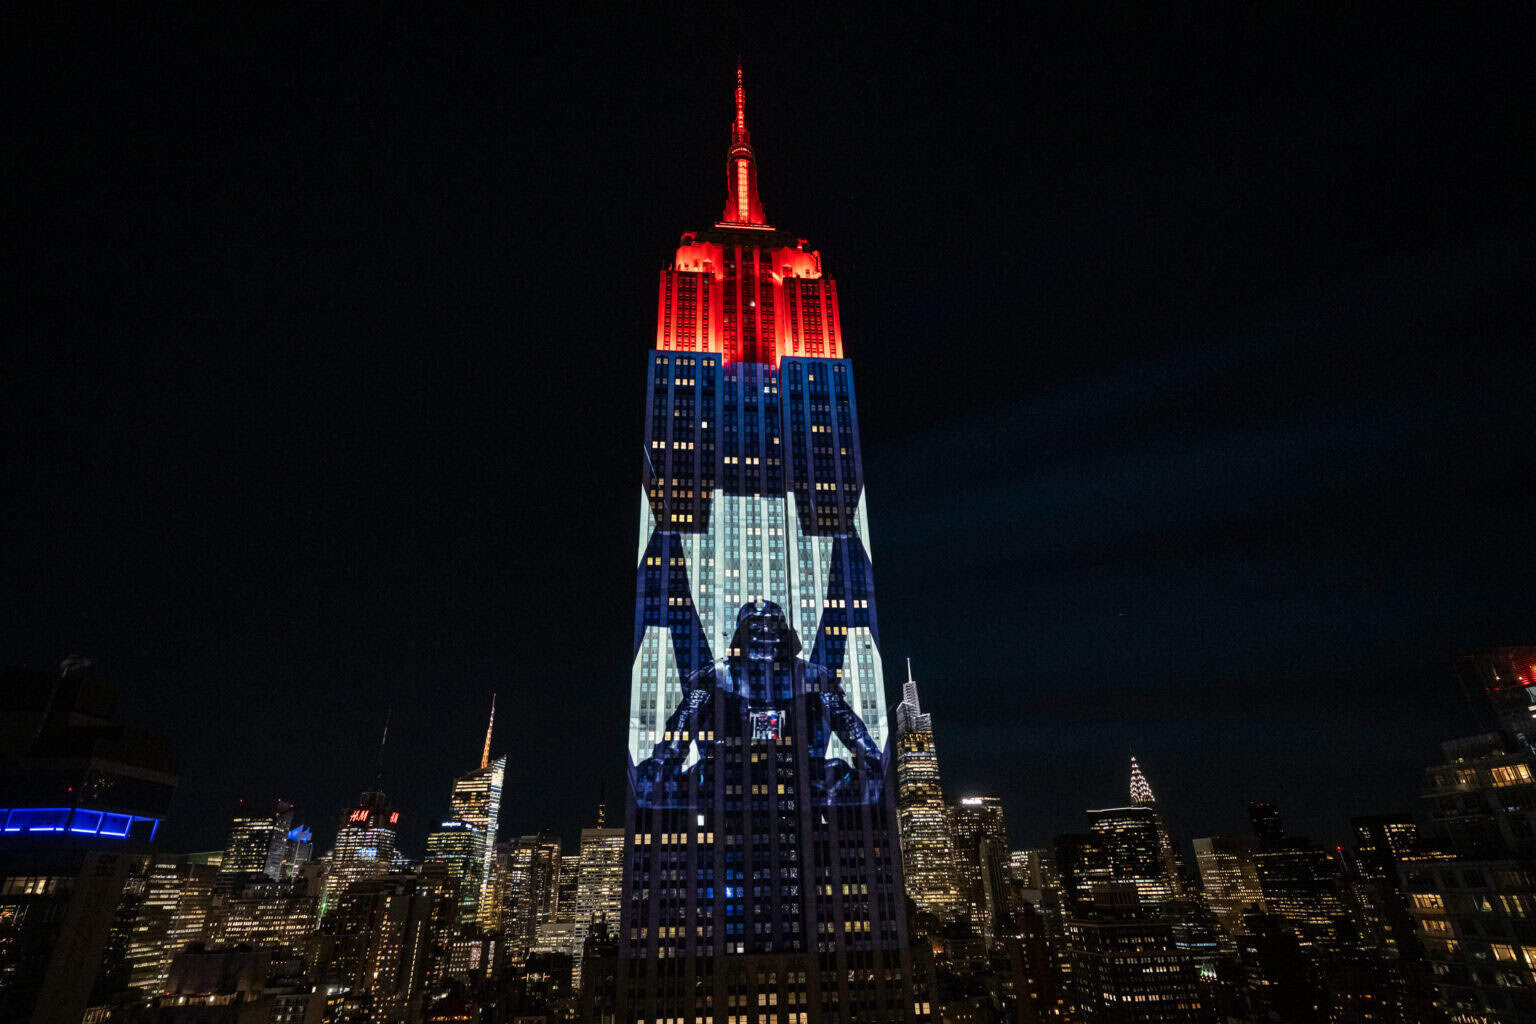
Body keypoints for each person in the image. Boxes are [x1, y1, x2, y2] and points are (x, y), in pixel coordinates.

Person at [634, 599, 883, 808]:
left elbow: (846, 721)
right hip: (728, 771)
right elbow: (683, 724)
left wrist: (871, 757)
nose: (764, 632)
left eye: (771, 625)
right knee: (681, 787)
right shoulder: (715, 675)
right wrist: (662, 764)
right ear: (742, 632)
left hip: (797, 772)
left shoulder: (813, 676)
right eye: (756, 625)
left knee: (842, 778)